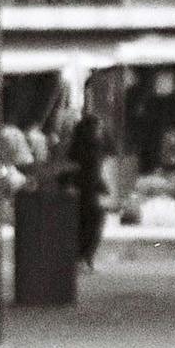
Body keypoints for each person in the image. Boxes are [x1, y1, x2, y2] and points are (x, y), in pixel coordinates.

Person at [66, 102, 108, 268]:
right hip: (86, 191)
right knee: (91, 223)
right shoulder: (92, 147)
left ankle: (83, 256)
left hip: (84, 190)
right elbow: (90, 170)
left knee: (87, 223)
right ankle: (85, 256)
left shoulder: (80, 146)